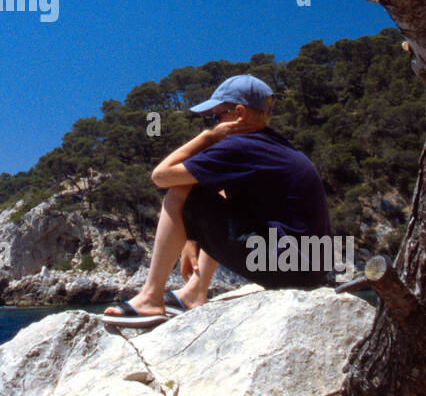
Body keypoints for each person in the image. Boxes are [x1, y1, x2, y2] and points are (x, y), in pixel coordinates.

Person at [103, 74, 334, 323]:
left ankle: (150, 298)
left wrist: (208, 137)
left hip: (291, 270)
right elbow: (220, 197)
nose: (214, 124)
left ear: (239, 112)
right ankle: (194, 293)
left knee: (180, 191)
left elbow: (162, 176)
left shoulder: (241, 146)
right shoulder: (273, 144)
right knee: (200, 189)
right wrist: (189, 239)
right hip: (312, 267)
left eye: (216, 117)